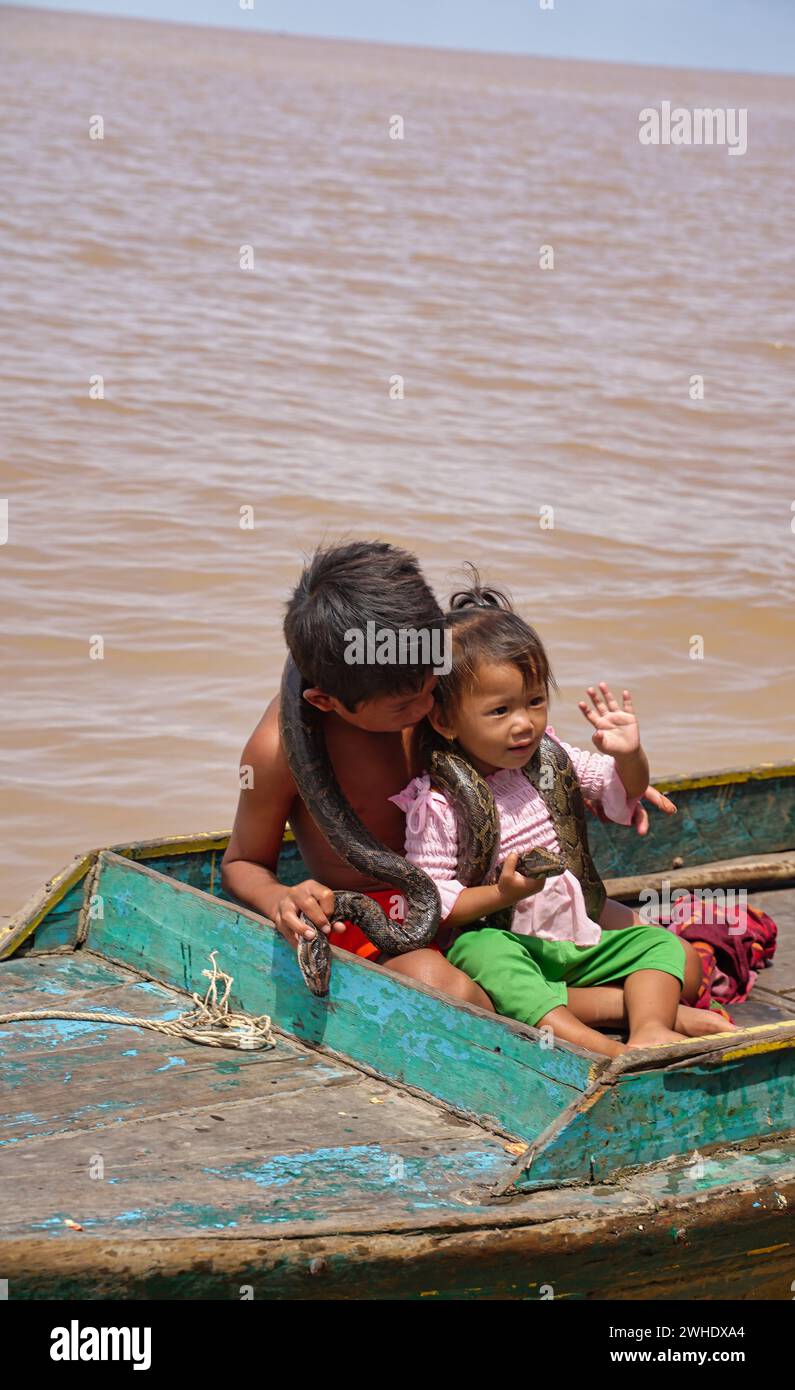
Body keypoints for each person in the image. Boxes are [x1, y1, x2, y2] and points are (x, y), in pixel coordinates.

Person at [390, 579, 736, 1057]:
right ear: (446, 722)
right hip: (507, 938)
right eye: (499, 710)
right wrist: (501, 894)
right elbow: (431, 897)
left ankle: (651, 1027)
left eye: (534, 701)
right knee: (483, 955)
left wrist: (631, 754)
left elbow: (619, 789)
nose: (524, 723)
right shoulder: (439, 804)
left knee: (667, 950)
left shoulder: (550, 759)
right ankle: (596, 1042)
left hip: (575, 931)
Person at [221, 540, 495, 1008]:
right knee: (439, 988)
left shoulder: (422, 669)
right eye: (405, 706)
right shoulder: (276, 752)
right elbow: (242, 863)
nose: (428, 708)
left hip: (478, 896)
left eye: (432, 686)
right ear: (325, 701)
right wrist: (284, 900)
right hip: (376, 923)